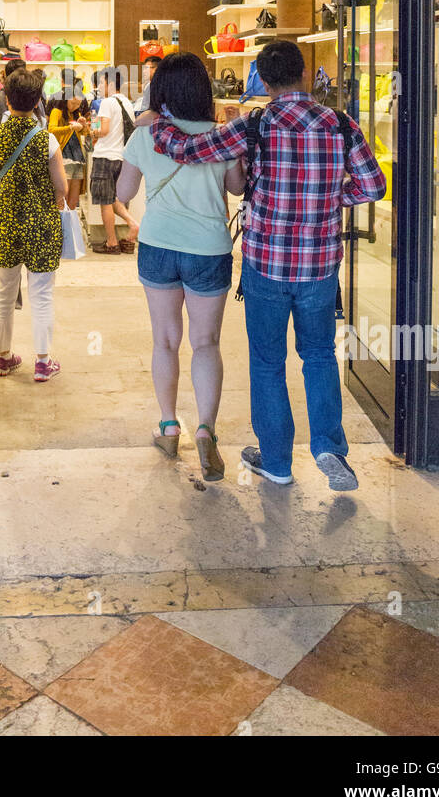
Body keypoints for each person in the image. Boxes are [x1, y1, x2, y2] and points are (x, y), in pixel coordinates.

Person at [147, 40, 387, 491]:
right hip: (319, 265)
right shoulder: (340, 124)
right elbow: (374, 186)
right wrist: (332, 199)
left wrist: (156, 123)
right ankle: (330, 449)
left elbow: (188, 150)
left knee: (267, 361)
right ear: (303, 72)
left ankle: (276, 461)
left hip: (265, 264)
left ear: (263, 79)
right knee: (318, 355)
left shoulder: (256, 123)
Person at [117, 54, 244, 481]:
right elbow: (238, 187)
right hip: (208, 248)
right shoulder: (220, 137)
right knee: (206, 343)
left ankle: (169, 426)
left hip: (158, 244)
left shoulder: (145, 135)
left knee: (165, 340)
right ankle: (205, 429)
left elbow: (123, 189)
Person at [0, 68, 67, 382]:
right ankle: (43, 362)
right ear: (37, 102)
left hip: (2, 223)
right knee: (42, 294)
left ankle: (3, 358)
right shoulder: (47, 140)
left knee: (1, 294)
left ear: (6, 98)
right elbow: (61, 186)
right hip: (40, 225)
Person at [89, 67, 139, 255]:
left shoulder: (107, 102)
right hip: (120, 157)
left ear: (110, 84)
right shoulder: (126, 102)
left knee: (105, 201)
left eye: (101, 82)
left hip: (105, 156)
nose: (100, 86)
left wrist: (91, 130)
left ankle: (111, 242)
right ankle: (133, 224)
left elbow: (103, 130)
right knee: (113, 198)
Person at [47, 91, 91, 211]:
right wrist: (70, 127)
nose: (75, 106)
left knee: (74, 198)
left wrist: (83, 125)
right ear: (66, 99)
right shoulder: (57, 112)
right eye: (73, 103)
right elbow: (51, 130)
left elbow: (85, 133)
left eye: (78, 104)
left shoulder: (77, 114)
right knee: (62, 195)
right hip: (63, 155)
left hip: (77, 157)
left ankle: (70, 223)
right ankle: (61, 225)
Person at [133, 53, 163, 124]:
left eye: (146, 68)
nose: (144, 71)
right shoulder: (151, 85)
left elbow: (147, 110)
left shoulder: (152, 86)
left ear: (156, 69)